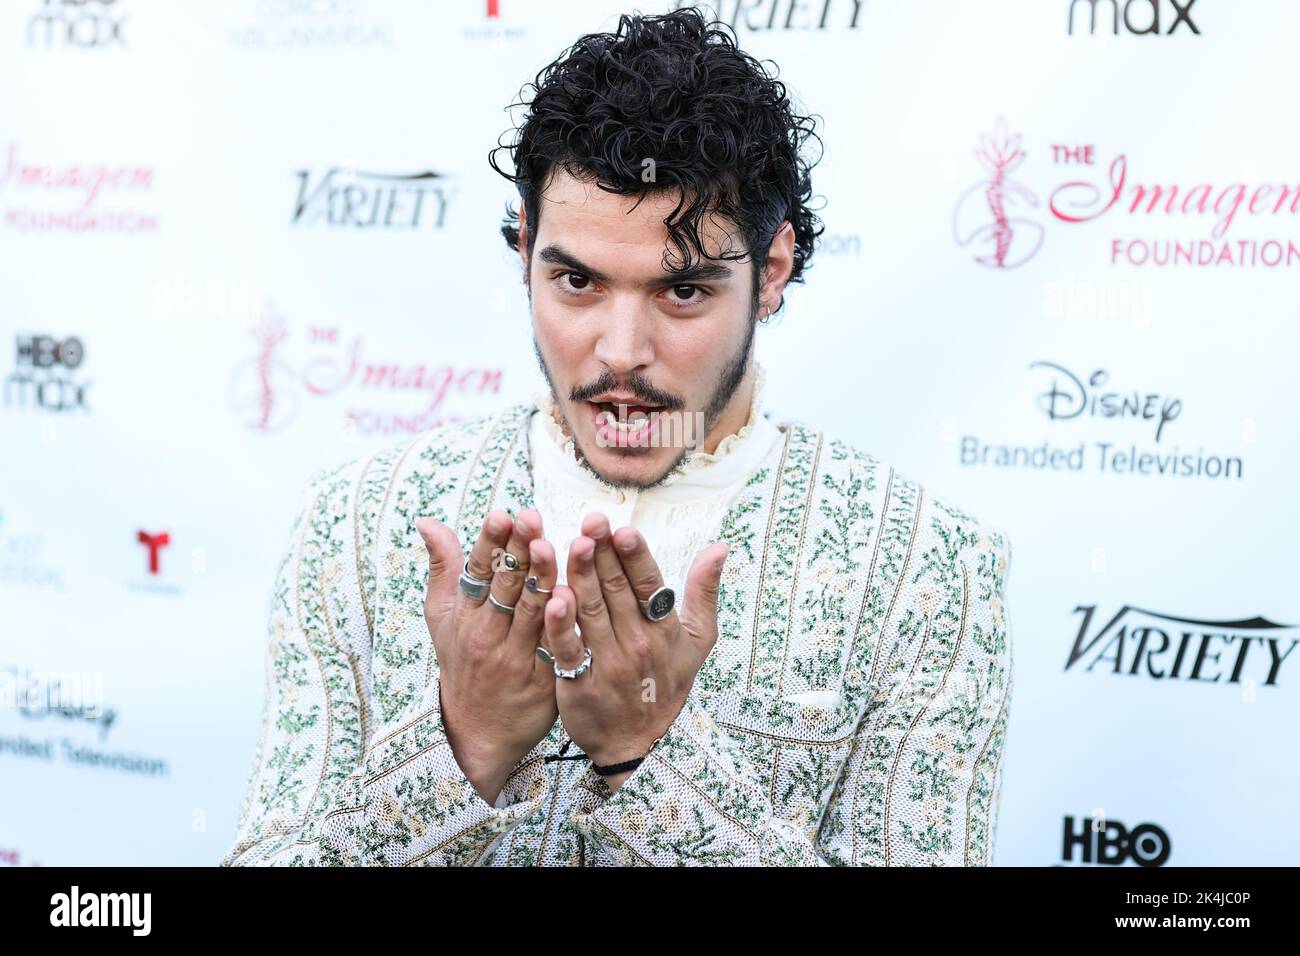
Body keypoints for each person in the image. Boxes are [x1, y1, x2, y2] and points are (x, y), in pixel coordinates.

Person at [222, 6, 1012, 867]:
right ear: (525, 251)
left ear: (773, 269)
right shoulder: (360, 523)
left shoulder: (925, 569)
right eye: (577, 282)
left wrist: (649, 756)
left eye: (682, 293)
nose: (621, 354)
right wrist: (467, 746)